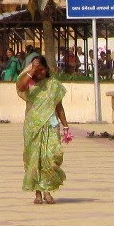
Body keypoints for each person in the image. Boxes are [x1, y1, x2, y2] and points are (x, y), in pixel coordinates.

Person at [16, 52, 68, 204]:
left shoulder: (54, 85)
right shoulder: (29, 84)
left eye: (41, 69)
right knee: (34, 160)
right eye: (36, 69)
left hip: (50, 126)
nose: (39, 73)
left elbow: (59, 106)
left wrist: (65, 126)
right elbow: (20, 86)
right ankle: (39, 193)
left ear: (46, 69)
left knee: (50, 158)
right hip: (33, 127)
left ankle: (48, 190)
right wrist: (32, 70)